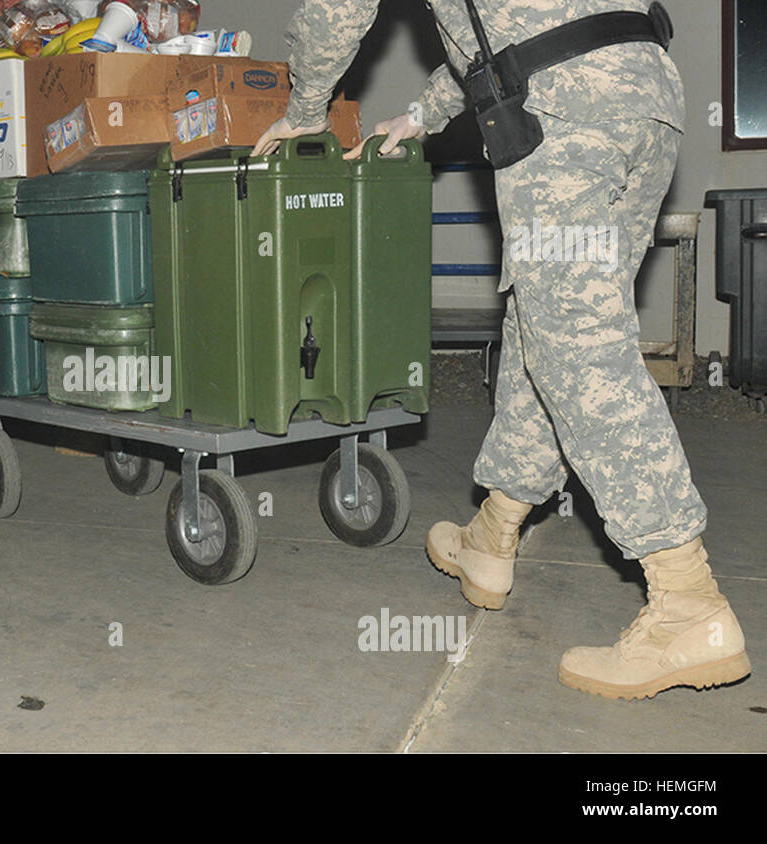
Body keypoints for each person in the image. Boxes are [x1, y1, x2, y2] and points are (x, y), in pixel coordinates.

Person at [257, 0, 751, 700]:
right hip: (645, 92)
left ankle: (687, 603)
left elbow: (340, 8)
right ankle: (492, 537)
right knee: (545, 327)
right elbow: (511, 23)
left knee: (580, 353)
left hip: (565, 111)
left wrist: (307, 106)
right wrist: (425, 114)